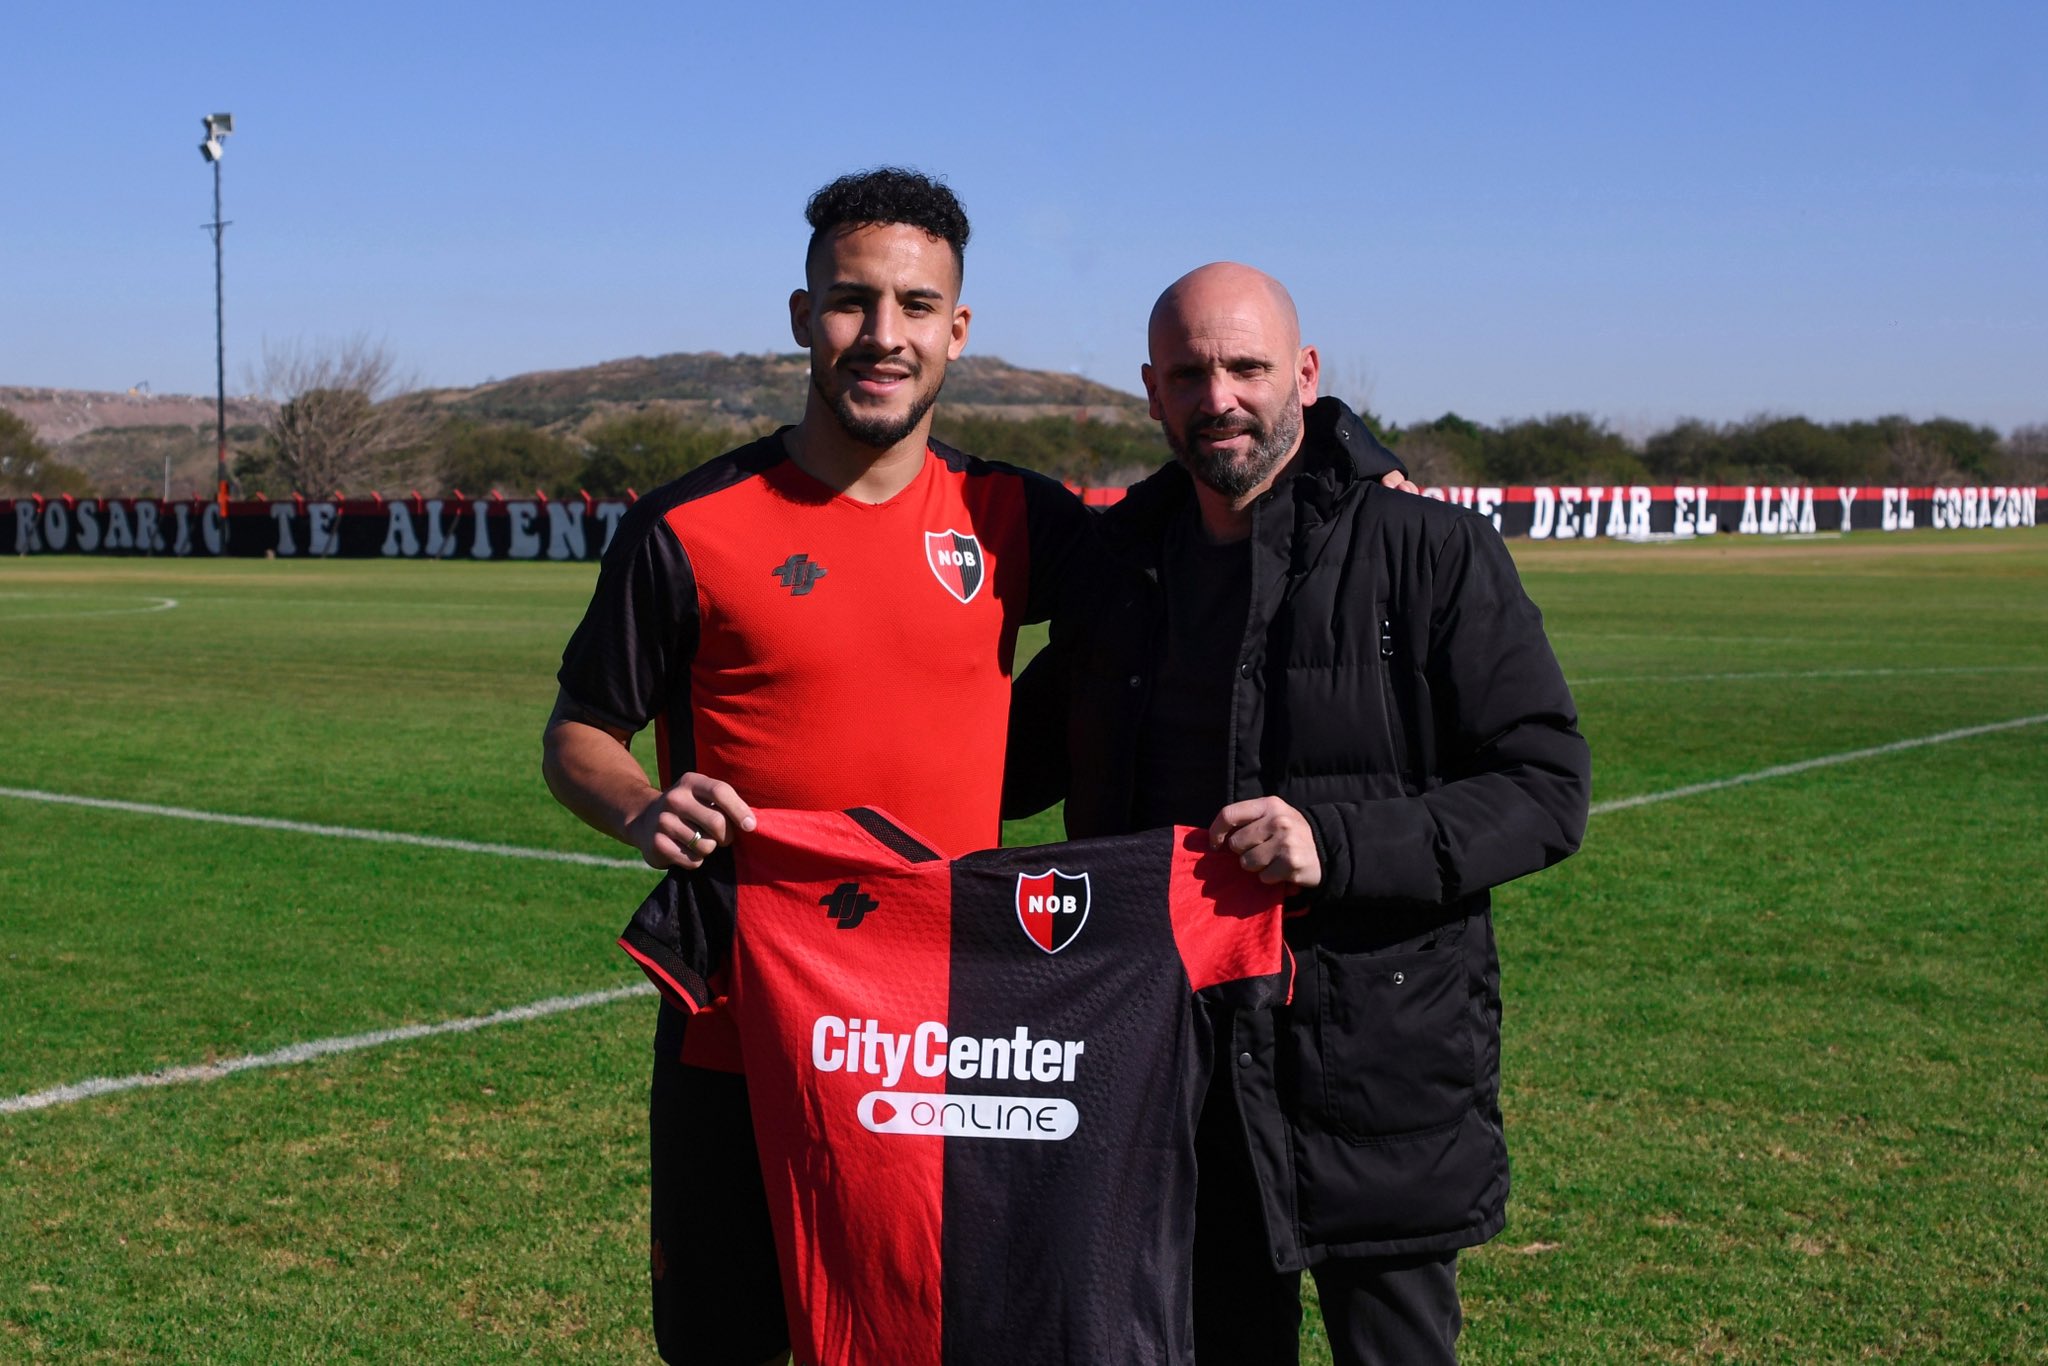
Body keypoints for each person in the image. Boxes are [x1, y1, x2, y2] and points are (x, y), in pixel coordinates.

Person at [541, 168, 1093, 1366]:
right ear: (801, 317)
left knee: (943, 1338)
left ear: (956, 329)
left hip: (947, 1036)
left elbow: (1189, 580)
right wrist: (640, 805)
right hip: (740, 1028)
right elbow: (579, 731)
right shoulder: (688, 526)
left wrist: (1359, 483)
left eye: (911, 305)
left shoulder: (1016, 517)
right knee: (729, 1339)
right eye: (849, 302)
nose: (879, 335)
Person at [1004, 262, 1592, 1364]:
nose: (1217, 395)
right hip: (1164, 1065)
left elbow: (1545, 788)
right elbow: (995, 763)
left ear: (1305, 375)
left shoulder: (1428, 551)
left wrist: (1336, 843)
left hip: (1374, 1061)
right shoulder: (1118, 571)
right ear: (1150, 391)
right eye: (1188, 372)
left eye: (1245, 366)